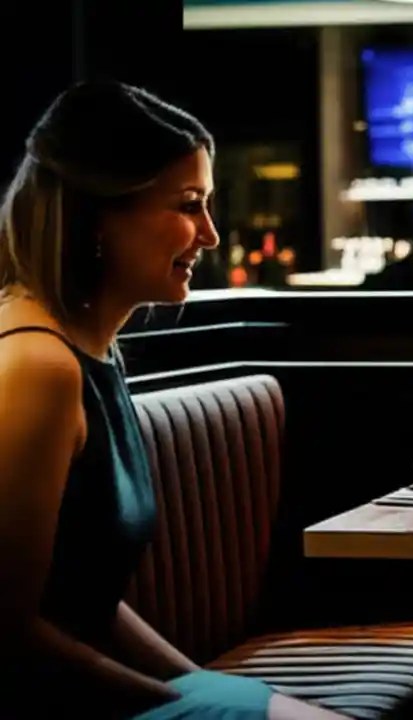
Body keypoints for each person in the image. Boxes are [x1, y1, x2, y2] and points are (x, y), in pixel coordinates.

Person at [0, 82, 347, 719]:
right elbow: (9, 630)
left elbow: (82, 598)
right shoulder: (36, 365)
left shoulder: (89, 348)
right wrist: (197, 706)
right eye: (190, 206)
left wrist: (207, 688)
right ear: (97, 216)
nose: (210, 235)